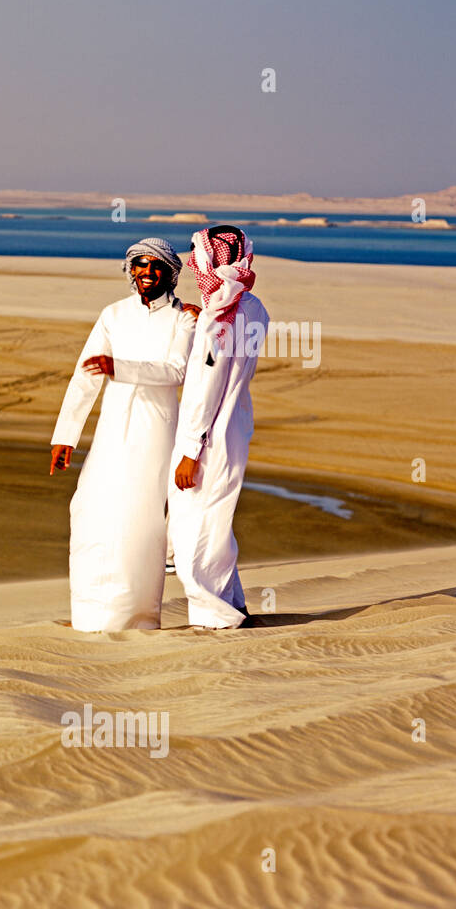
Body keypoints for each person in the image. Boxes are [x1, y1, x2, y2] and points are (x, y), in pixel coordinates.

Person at [50, 239, 198, 631]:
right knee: (90, 510)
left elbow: (176, 371)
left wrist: (120, 367)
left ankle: (137, 619)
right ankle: (89, 617)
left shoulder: (184, 319)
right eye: (139, 265)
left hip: (156, 429)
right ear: (129, 270)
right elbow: (85, 376)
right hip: (111, 429)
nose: (146, 273)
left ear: (171, 273)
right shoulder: (113, 315)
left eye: (156, 267)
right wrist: (65, 436)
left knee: (138, 520)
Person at [169, 225, 269, 629]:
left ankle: (217, 617)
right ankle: (234, 603)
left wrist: (191, 450)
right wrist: (205, 316)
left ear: (212, 261)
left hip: (207, 437)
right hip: (236, 429)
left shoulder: (219, 318)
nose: (193, 264)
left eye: (198, 257)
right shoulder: (254, 306)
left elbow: (206, 386)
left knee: (196, 529)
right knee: (215, 521)